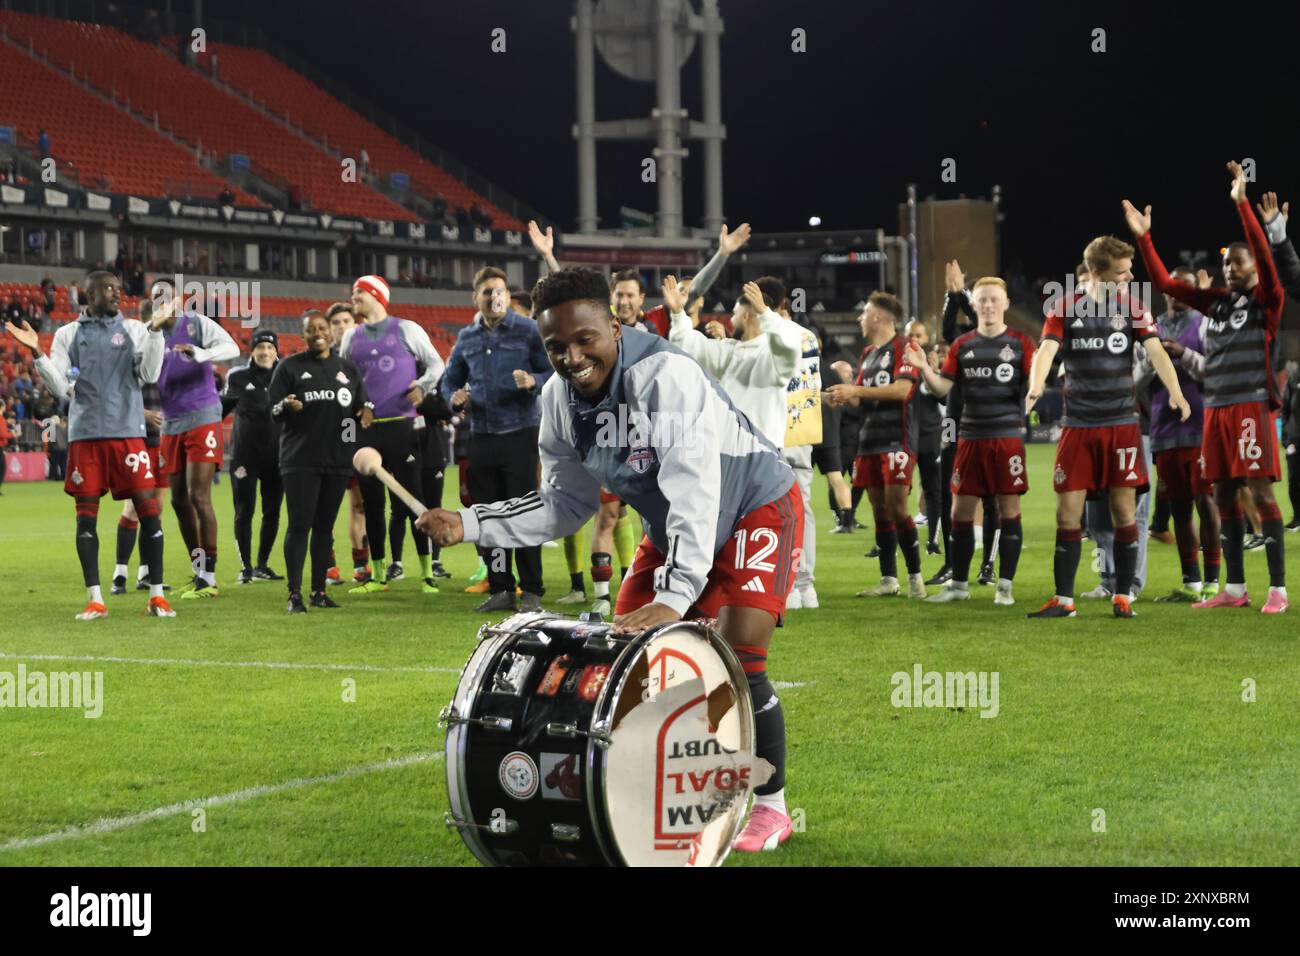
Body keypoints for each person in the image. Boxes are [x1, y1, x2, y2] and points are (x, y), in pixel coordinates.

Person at [416, 266, 803, 852]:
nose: (571, 357)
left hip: (753, 502)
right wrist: (470, 523)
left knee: (742, 655)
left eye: (584, 340)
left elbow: (698, 489)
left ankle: (770, 808)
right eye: (555, 346)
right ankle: (662, 782)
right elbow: (564, 506)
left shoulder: (665, 376)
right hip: (674, 523)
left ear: (616, 327)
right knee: (624, 661)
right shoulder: (556, 400)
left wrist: (673, 599)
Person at [1126, 162, 1287, 613]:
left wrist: (1241, 206)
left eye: (1237, 261)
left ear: (1253, 265)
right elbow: (1162, 283)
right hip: (1215, 410)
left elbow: (1269, 260)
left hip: (1251, 406)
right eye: (1225, 263)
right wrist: (1145, 238)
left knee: (1259, 493)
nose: (1229, 268)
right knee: (1220, 495)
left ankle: (1278, 587)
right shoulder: (1215, 307)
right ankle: (1234, 588)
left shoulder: (1266, 300)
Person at [1025, 235, 1189, 619]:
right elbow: (1046, 349)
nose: (1131, 276)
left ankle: (1123, 597)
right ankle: (1064, 601)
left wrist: (1176, 392)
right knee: (1067, 514)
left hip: (1121, 425)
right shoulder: (1064, 308)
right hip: (1078, 426)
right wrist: (1036, 384)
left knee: (1124, 512)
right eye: (1123, 271)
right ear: (1097, 273)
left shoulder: (1134, 309)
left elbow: (1157, 352)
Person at [5, 271, 174, 619]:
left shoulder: (134, 330)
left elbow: (151, 375)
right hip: (85, 438)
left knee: (150, 512)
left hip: (128, 433)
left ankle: (157, 595)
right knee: (86, 521)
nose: (116, 294)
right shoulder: (69, 334)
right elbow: (60, 388)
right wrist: (37, 353)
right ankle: (96, 599)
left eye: (117, 288)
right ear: (88, 294)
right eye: (108, 289)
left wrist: (156, 330)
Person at [908, 277, 1034, 605]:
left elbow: (1034, 387)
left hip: (1006, 440)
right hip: (969, 438)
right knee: (960, 512)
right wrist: (923, 368)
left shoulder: (1021, 343)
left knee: (1009, 510)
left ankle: (1004, 587)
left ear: (1005, 303)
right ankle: (959, 586)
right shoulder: (963, 345)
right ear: (974, 305)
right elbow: (942, 389)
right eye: (982, 300)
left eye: (994, 300)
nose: (988, 306)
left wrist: (1035, 394)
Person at [440, 267, 552, 612]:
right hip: (482, 437)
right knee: (489, 517)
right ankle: (502, 586)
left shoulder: (528, 330)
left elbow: (553, 371)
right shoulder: (467, 338)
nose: (494, 297)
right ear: (476, 297)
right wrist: (453, 398)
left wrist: (533, 381)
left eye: (500, 290)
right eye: (487, 291)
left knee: (524, 515)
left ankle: (532, 589)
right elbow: (449, 380)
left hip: (520, 434)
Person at [340, 276, 445, 595]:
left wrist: (422, 387)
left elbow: (436, 364)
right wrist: (359, 405)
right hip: (369, 428)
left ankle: (427, 573)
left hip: (403, 425)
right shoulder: (350, 337)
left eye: (359, 292)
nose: (353, 296)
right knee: (371, 504)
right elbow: (345, 381)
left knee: (413, 499)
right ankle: (379, 574)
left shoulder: (406, 329)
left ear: (376, 296)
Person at [269, 311, 373, 612]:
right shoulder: (289, 367)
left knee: (325, 528)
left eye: (322, 328)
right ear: (302, 336)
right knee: (300, 526)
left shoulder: (346, 369)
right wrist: (286, 407)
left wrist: (366, 413)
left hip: (337, 461)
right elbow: (273, 410)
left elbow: (361, 405)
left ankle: (318, 591)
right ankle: (294, 594)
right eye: (310, 329)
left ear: (330, 333)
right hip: (299, 460)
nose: (317, 333)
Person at [826, 292, 927, 598]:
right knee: (879, 512)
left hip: (897, 439)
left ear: (879, 317)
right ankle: (888, 579)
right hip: (869, 441)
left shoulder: (904, 346)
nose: (860, 318)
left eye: (864, 312)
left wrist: (856, 389)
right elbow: (859, 397)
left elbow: (901, 390)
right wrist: (842, 394)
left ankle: (915, 578)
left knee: (897, 508)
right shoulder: (868, 353)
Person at [147, 279, 239, 599]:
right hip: (171, 420)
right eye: (156, 296)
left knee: (199, 496)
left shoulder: (197, 323)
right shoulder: (148, 331)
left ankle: (209, 577)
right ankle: (199, 570)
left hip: (203, 414)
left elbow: (232, 348)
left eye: (167, 295)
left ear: (178, 299)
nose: (162, 300)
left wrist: (202, 354)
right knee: (177, 500)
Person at [1140, 267, 1221, 603]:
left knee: (1206, 501)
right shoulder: (1149, 328)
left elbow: (1215, 371)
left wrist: (1182, 355)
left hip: (1201, 425)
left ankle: (1214, 581)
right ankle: (1192, 582)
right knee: (1179, 508)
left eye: (1185, 288)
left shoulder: (1206, 324)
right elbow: (1136, 380)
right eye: (1173, 287)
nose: (1177, 293)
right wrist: (1154, 359)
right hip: (1163, 428)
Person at [222, 329, 285, 584]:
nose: (265, 352)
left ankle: (262, 564)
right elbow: (219, 409)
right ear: (253, 350)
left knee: (272, 511)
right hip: (244, 457)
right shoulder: (237, 377)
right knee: (243, 511)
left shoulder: (287, 374)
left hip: (279, 456)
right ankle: (245, 566)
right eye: (261, 347)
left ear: (276, 350)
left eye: (270, 348)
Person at [325, 301, 370, 584]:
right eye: (336, 323)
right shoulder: (320, 361)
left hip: (357, 438)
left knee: (360, 505)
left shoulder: (363, 363)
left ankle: (361, 565)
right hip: (327, 441)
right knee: (325, 505)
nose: (341, 327)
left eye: (346, 322)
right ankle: (328, 566)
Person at [113, 381, 169, 594]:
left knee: (157, 508)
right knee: (134, 507)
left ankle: (145, 573)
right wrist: (144, 413)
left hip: (162, 443)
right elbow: (115, 400)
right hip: (136, 442)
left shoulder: (167, 362)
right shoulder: (128, 361)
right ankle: (120, 574)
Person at [905, 319, 944, 559]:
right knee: (896, 491)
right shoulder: (898, 364)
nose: (915, 339)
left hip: (930, 435)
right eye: (911, 335)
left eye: (919, 335)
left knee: (933, 489)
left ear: (927, 338)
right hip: (903, 435)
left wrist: (934, 372)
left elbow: (944, 399)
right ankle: (887, 542)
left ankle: (932, 540)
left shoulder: (933, 365)